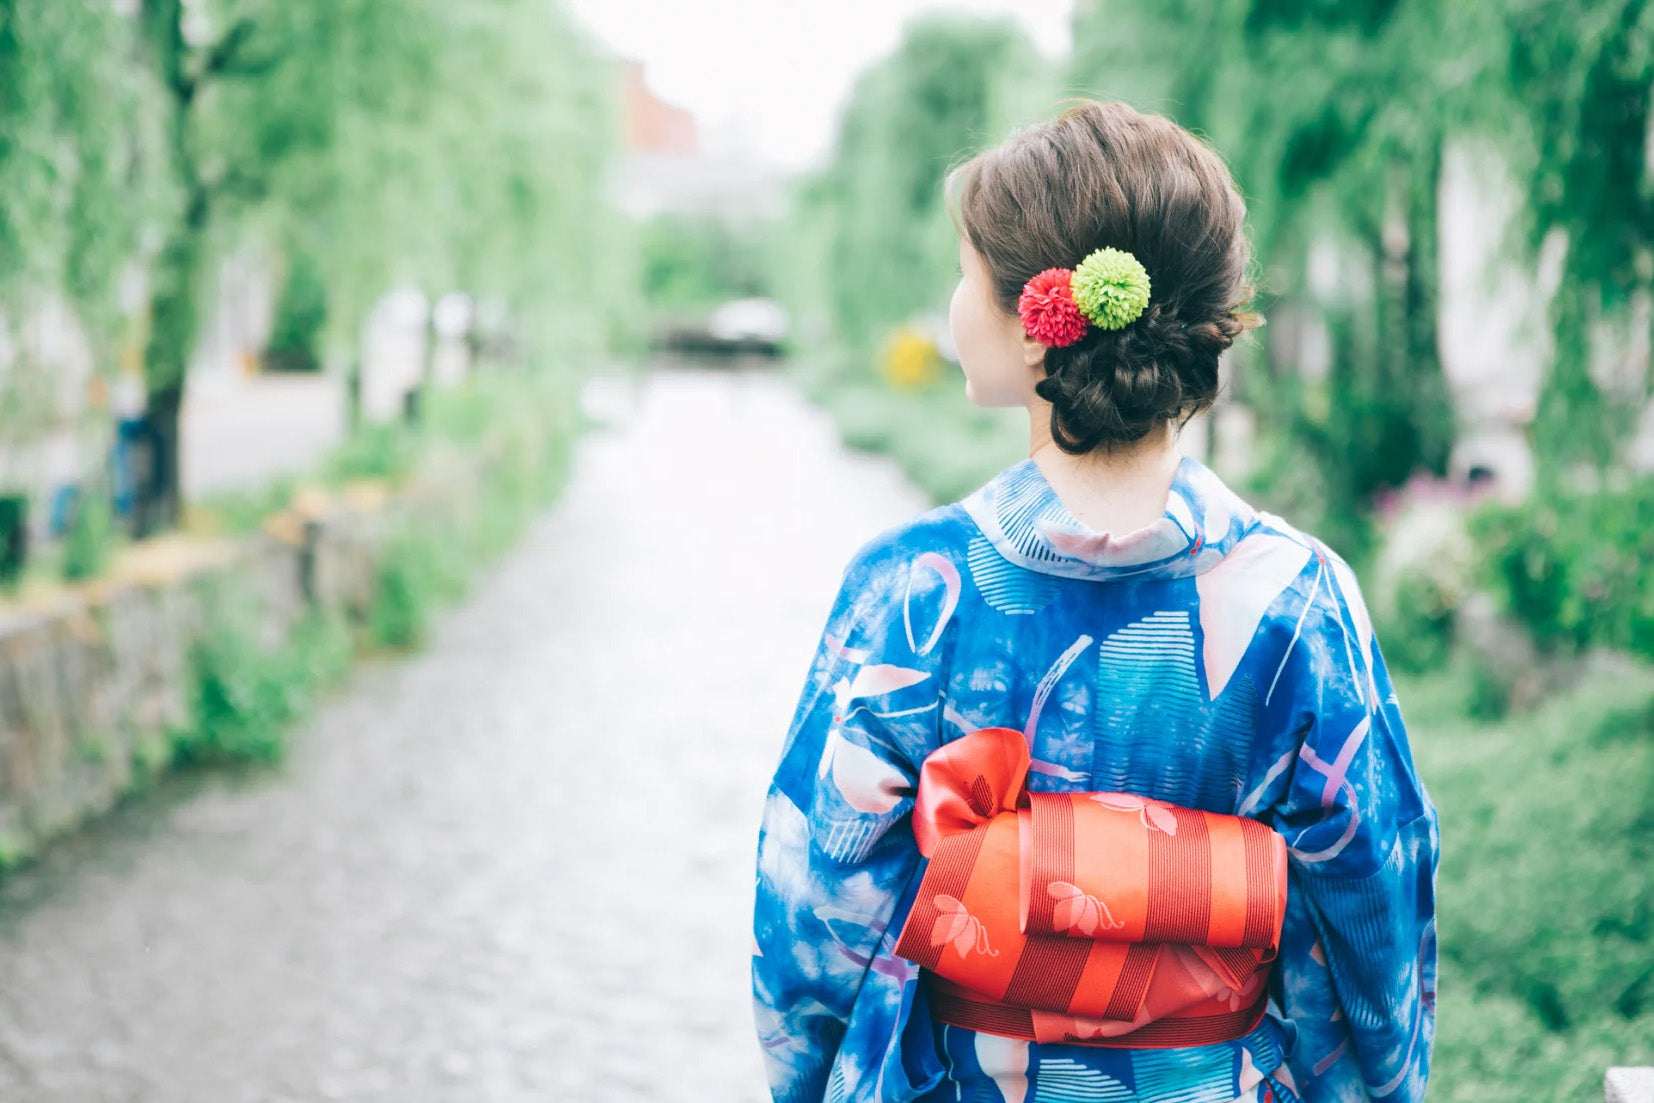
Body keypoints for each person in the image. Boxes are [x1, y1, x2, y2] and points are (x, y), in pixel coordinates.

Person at [751, 98, 1439, 1103]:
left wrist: (813, 1079)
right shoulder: (1302, 596)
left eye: (963, 271)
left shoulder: (913, 586)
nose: (952, 299)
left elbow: (813, 914)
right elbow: (1374, 898)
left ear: (1038, 328)